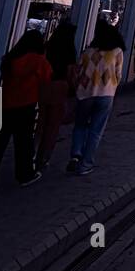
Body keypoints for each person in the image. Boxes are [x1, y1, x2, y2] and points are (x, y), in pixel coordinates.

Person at [0, 30, 50, 194]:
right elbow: (46, 79)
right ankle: (25, 175)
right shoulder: (38, 61)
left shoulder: (10, 59)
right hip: (25, 107)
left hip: (2, 105)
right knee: (23, 143)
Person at [69, 19, 125, 176]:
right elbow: (119, 75)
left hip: (85, 94)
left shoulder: (88, 52)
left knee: (80, 125)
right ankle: (86, 163)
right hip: (105, 94)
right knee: (95, 130)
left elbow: (78, 73)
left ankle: (75, 155)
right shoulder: (116, 52)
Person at [35, 22, 78, 172]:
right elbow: (71, 72)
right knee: (53, 126)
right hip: (60, 87)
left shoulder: (48, 46)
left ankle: (32, 153)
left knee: (41, 123)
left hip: (45, 87)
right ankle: (43, 158)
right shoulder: (69, 49)